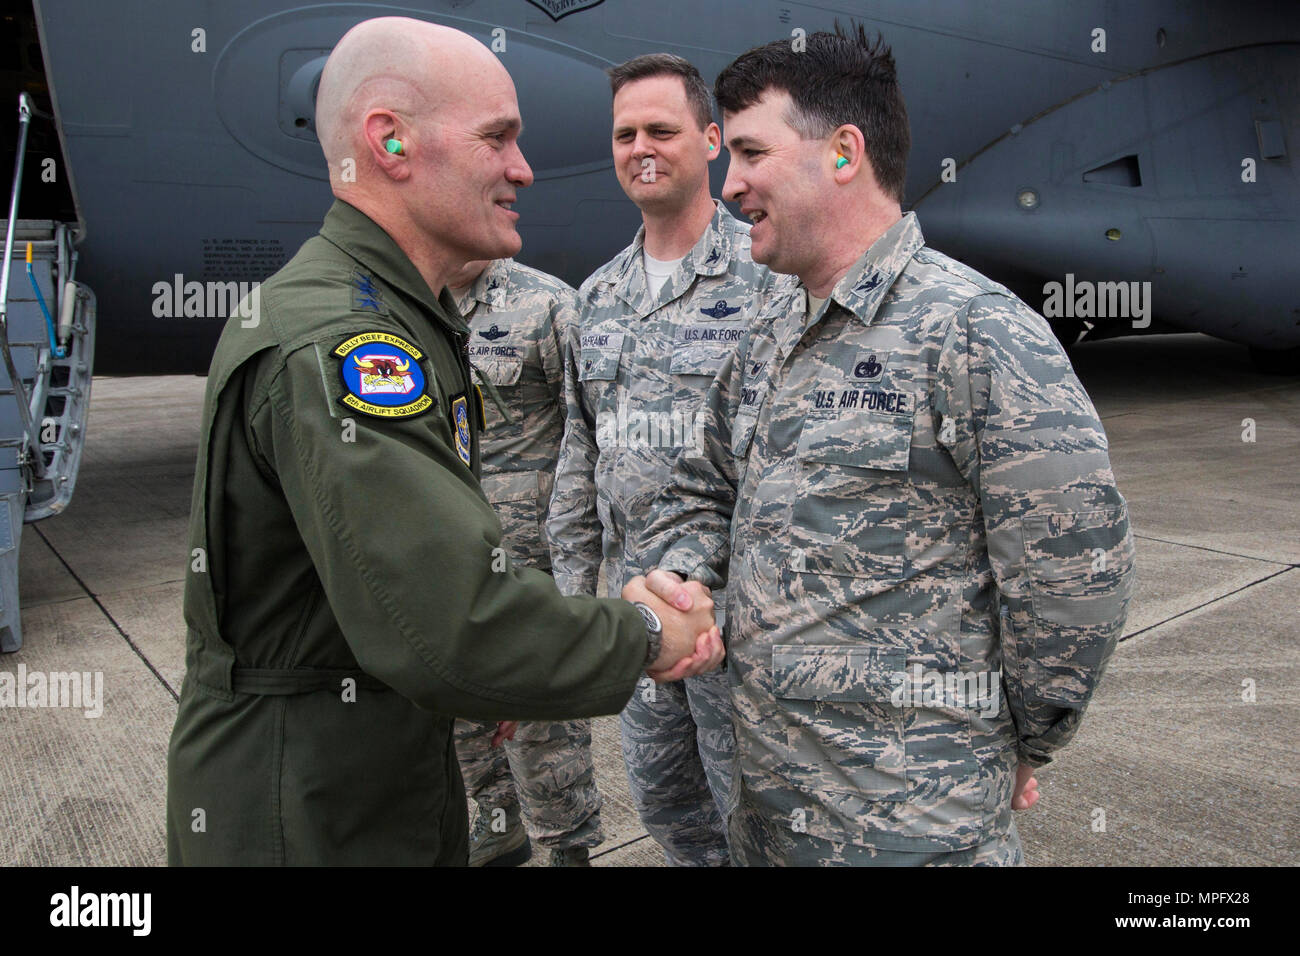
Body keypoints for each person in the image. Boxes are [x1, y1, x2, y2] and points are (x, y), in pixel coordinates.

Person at [165, 17, 722, 866]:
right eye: (497, 138)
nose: (523, 169)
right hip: (309, 810)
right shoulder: (341, 345)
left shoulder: (401, 317)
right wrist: (644, 633)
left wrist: (490, 669)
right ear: (389, 142)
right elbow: (456, 624)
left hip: (375, 762)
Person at [638, 25, 1136, 866]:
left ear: (843, 152)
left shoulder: (974, 331)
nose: (731, 187)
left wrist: (1021, 740)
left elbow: (1074, 575)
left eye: (752, 152)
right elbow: (703, 485)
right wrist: (684, 577)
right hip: (769, 816)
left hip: (912, 829)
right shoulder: (769, 332)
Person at [547, 54, 773, 867]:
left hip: (738, 626)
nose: (641, 147)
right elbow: (581, 462)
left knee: (758, 825)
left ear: (712, 140)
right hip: (637, 621)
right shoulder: (597, 297)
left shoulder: (768, 276)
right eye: (625, 133)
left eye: (662, 130)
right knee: (671, 812)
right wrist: (572, 615)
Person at [446, 257, 605, 867]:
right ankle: (497, 830)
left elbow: (588, 438)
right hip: (455, 556)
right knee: (463, 712)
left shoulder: (548, 306)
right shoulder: (414, 307)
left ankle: (568, 848)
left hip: (533, 565)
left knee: (542, 725)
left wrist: (574, 584)